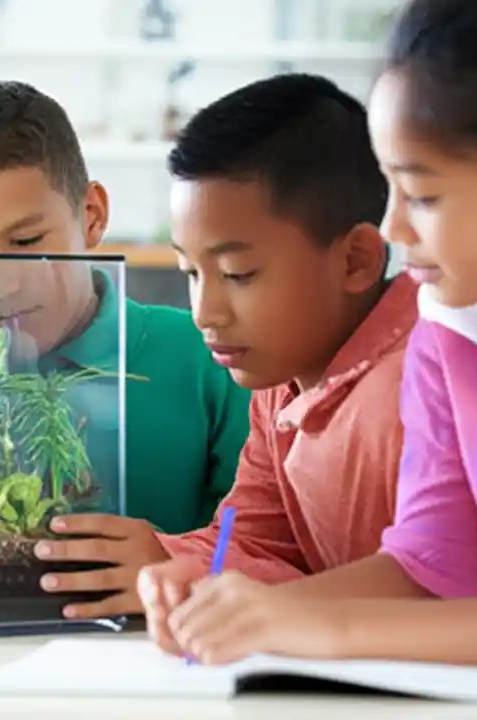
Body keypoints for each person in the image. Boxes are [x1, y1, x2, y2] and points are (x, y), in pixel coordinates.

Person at [142, 0, 477, 667]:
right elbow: (428, 563)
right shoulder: (452, 331)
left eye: (422, 194)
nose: (396, 229)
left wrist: (327, 630)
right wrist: (244, 613)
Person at [0, 80, 251, 619]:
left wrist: (181, 560)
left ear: (92, 215)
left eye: (26, 243)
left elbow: (269, 545)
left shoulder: (206, 354)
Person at [130, 72, 429, 654]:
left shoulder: (420, 382)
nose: (204, 312)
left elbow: (432, 580)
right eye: (191, 273)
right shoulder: (280, 379)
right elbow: (254, 541)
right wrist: (171, 565)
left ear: (356, 260)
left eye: (238, 275)